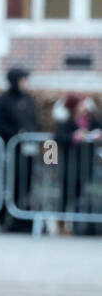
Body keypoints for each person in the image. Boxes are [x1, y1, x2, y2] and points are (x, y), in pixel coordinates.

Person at [0, 67, 38, 232]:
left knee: (24, 186)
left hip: (27, 152)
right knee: (7, 185)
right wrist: (16, 135)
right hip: (9, 151)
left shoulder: (28, 99)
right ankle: (4, 219)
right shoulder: (3, 100)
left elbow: (33, 121)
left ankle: (21, 219)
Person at [53, 93, 102, 236]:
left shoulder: (91, 119)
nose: (85, 106)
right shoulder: (65, 120)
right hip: (69, 164)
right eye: (81, 103)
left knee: (81, 194)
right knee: (66, 195)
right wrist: (74, 137)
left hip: (85, 163)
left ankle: (76, 225)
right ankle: (61, 224)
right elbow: (58, 138)